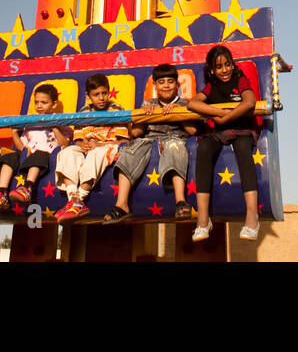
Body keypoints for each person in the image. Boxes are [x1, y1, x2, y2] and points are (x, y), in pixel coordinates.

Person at [104, 64, 197, 223]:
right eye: (161, 82)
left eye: (170, 81)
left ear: (177, 85)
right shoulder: (149, 104)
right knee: (131, 149)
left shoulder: (184, 104)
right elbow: (136, 133)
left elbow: (192, 131)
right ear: (155, 86)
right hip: (150, 141)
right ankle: (121, 205)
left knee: (175, 147)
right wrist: (144, 116)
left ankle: (180, 201)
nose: (166, 86)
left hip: (174, 139)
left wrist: (178, 113)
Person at [188, 45, 260, 241]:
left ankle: (252, 217)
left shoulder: (240, 79)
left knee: (244, 149)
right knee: (203, 148)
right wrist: (219, 113)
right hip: (218, 132)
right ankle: (203, 220)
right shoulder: (211, 87)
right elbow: (193, 103)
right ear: (212, 70)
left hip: (242, 128)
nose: (225, 70)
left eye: (228, 64)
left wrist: (227, 118)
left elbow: (249, 102)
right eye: (219, 67)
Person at [54, 74, 127, 220]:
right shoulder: (84, 112)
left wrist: (99, 144)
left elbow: (123, 141)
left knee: (97, 153)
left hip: (108, 146)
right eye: (96, 94)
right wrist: (83, 144)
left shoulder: (116, 109)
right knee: (67, 152)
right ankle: (73, 200)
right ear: (88, 96)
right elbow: (78, 139)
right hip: (87, 147)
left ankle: (79, 198)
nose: (101, 98)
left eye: (104, 93)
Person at [0, 83, 68, 210]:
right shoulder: (30, 122)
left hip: (45, 159)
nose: (39, 106)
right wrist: (14, 133)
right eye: (36, 102)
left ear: (54, 104)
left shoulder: (62, 123)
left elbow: (65, 144)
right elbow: (21, 147)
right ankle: (2, 193)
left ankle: (27, 188)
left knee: (39, 154)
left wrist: (55, 127)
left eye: (44, 102)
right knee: (9, 156)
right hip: (27, 157)